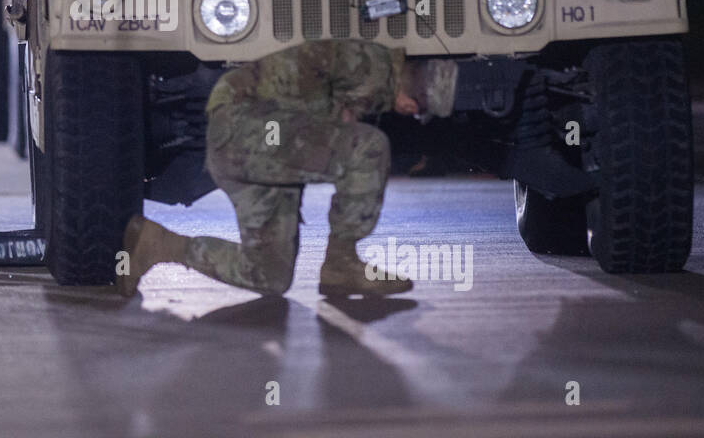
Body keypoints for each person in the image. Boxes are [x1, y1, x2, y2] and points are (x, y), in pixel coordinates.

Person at [117, 39, 458, 298]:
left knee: (269, 275)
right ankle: (342, 262)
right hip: (248, 129)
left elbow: (313, 134)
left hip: (249, 144)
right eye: (415, 111)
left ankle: (157, 243)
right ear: (411, 104)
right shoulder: (372, 66)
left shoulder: (364, 69)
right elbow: (335, 140)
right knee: (369, 147)